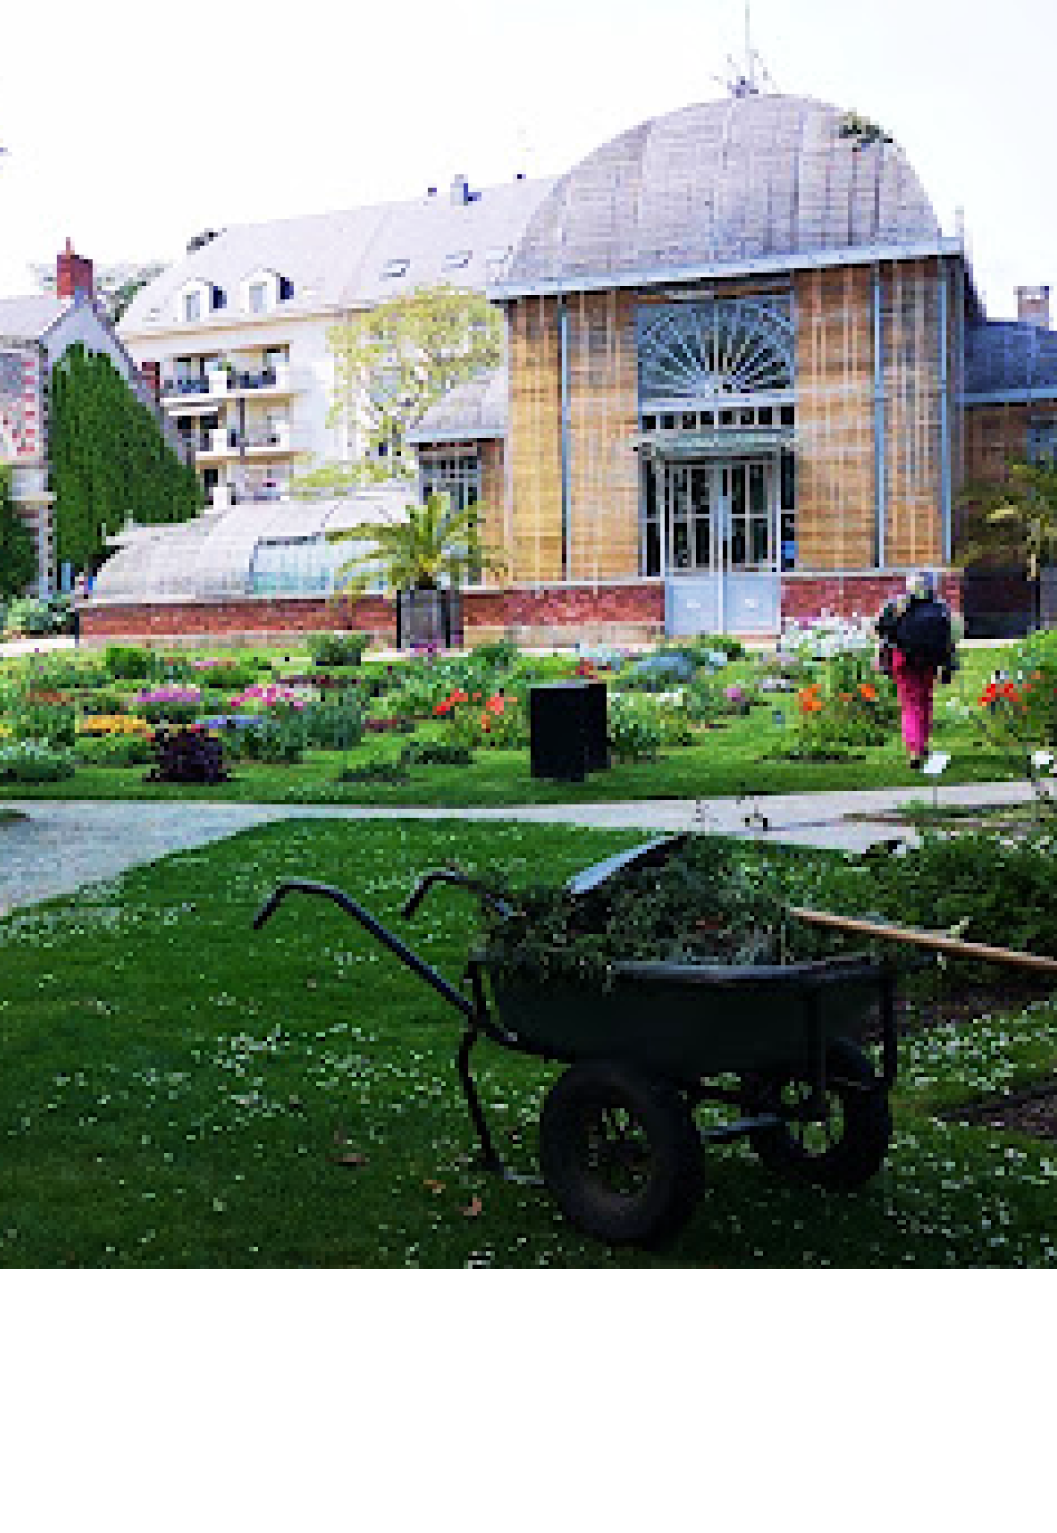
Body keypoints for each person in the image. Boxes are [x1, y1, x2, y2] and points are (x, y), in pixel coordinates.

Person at [876, 571, 957, 768]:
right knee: (925, 700)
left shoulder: (897, 606)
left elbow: (882, 630)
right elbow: (949, 639)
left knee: (910, 703)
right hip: (929, 660)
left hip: (903, 660)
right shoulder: (941, 609)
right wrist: (949, 666)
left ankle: (915, 748)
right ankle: (922, 744)